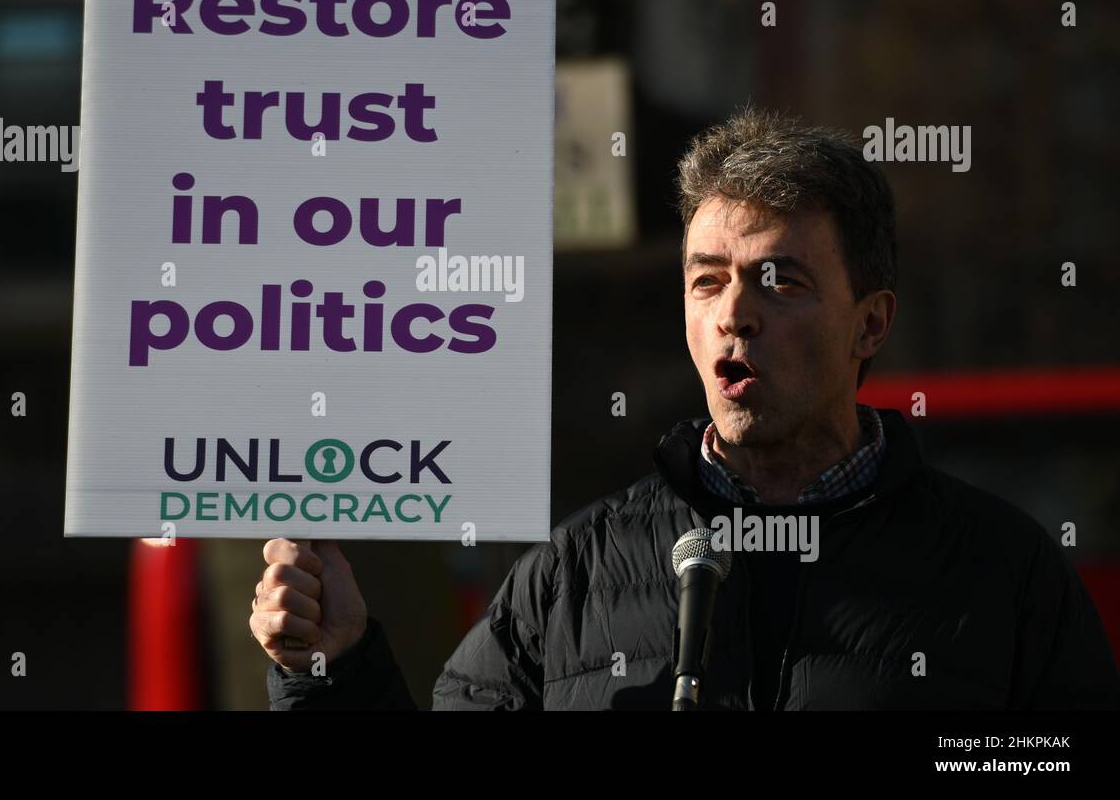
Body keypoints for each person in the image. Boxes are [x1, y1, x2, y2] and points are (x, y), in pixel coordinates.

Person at [249, 107, 1120, 710]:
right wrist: (331, 665)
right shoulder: (567, 580)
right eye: (709, 280)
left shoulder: (1002, 575)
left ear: (870, 323)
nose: (734, 313)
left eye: (779, 281)